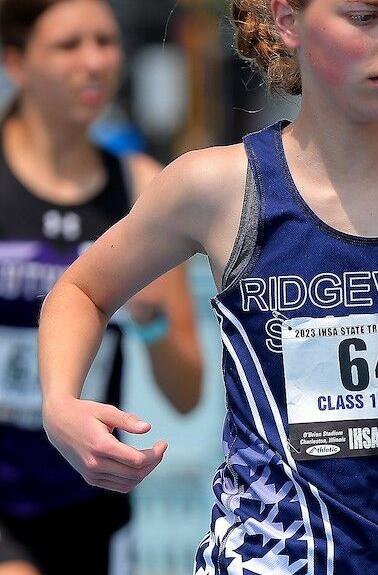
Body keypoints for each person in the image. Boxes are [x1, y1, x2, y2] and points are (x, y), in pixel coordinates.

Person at [37, 0, 378, 573]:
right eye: (365, 16)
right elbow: (81, 292)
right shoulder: (216, 186)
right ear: (287, 21)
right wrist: (59, 404)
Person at [0, 0, 203, 573]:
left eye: (106, 42)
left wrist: (151, 320)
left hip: (89, 494)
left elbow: (187, 393)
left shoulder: (141, 187)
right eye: (69, 45)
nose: (95, 62)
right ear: (17, 61)